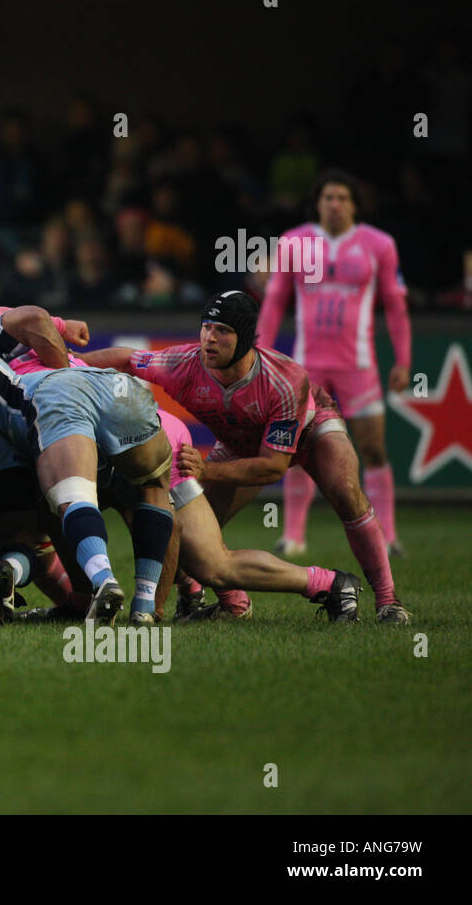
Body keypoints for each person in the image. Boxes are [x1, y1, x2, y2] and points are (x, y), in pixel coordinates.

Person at [82, 290, 409, 623]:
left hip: (311, 431)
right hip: (243, 447)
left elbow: (272, 467)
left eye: (222, 330)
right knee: (190, 539)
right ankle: (232, 604)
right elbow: (125, 359)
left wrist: (206, 470)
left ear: (246, 340)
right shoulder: (184, 363)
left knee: (346, 492)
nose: (210, 338)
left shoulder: (285, 380)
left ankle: (388, 601)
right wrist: (67, 364)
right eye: (206, 326)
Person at [257, 169, 412, 558]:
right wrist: (260, 352)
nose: (335, 203)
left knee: (373, 448)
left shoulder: (379, 245)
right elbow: (275, 301)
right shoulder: (294, 242)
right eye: (328, 196)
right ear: (318, 202)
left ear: (355, 204)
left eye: (343, 197)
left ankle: (388, 535)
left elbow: (395, 306)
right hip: (308, 365)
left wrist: (404, 360)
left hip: (358, 365)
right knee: (295, 449)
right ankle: (293, 535)